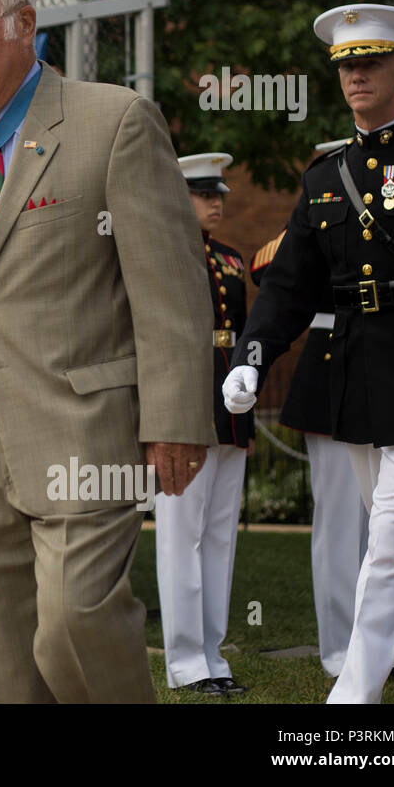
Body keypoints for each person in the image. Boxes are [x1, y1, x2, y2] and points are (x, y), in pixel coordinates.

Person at [0, 0, 215, 704]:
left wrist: (177, 419)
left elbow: (170, 291)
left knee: (73, 622)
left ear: (25, 24)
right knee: (7, 665)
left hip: (86, 432)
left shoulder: (115, 121)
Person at [224, 3, 394, 704]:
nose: (356, 75)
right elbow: (290, 285)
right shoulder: (325, 179)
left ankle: (352, 697)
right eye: (346, 66)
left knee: (387, 540)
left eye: (370, 63)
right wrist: (252, 354)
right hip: (356, 376)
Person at [249, 221, 370, 681]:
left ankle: (372, 644)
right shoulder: (325, 208)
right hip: (331, 361)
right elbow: (268, 266)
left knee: (380, 523)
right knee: (340, 524)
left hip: (383, 361)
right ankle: (340, 649)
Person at [154, 153, 253, 696]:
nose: (215, 202)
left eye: (218, 194)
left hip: (227, 406)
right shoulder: (163, 255)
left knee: (218, 537)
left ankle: (212, 655)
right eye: (203, 193)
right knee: (181, 537)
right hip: (183, 406)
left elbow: (235, 334)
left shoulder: (233, 259)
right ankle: (186, 661)